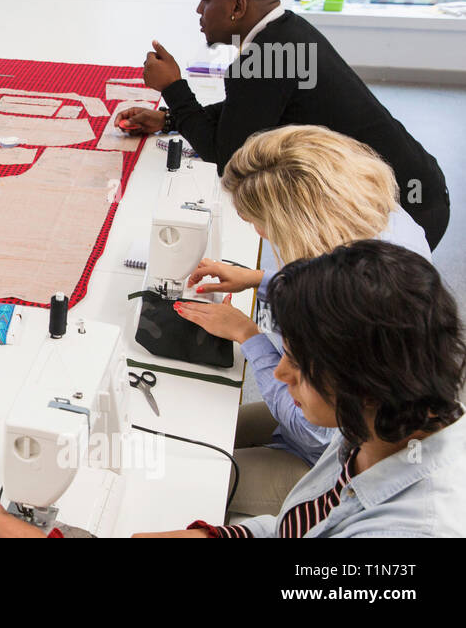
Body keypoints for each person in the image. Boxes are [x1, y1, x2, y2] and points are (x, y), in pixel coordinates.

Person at [0, 241, 466, 538]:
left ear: (364, 382)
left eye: (298, 362)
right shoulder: (380, 424)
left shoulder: (412, 530)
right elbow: (296, 531)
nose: (277, 374)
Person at [172, 125, 431, 516]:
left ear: (300, 221)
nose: (258, 233)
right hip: (335, 431)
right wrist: (260, 280)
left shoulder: (357, 305)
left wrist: (248, 334)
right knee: (185, 437)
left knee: (182, 477)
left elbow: (314, 431)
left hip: (328, 462)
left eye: (263, 225)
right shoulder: (376, 231)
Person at [115, 0, 449, 248]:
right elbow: (252, 109)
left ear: (237, 7)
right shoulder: (287, 34)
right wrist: (170, 120)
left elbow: (227, 159)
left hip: (400, 217)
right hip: (421, 189)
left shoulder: (260, 61)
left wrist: (174, 88)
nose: (199, 10)